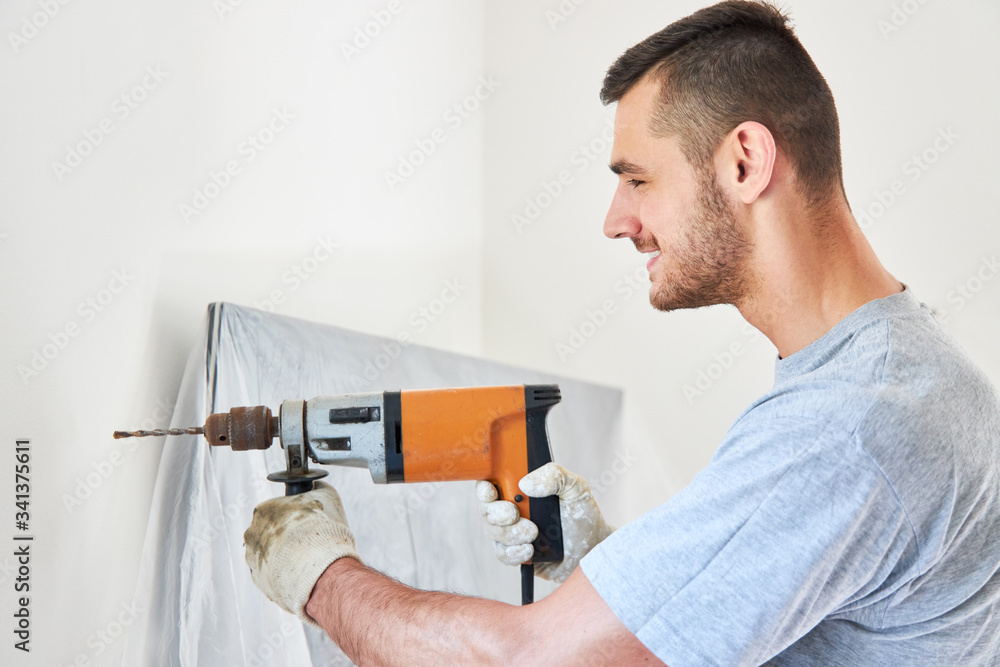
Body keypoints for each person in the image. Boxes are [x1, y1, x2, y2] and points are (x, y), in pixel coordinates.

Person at [243, 1, 1000, 664]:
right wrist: (601, 566)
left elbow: (526, 665)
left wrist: (321, 575)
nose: (617, 221)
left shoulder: (850, 428)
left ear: (745, 161)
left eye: (638, 179)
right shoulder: (902, 370)